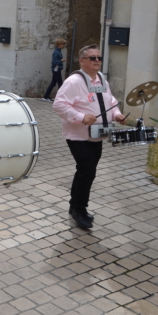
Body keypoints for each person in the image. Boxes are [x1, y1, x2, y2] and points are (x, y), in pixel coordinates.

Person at [53, 44, 125, 230]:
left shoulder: (101, 79)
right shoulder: (74, 82)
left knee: (84, 171)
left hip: (98, 134)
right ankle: (80, 210)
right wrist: (81, 117)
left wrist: (117, 114)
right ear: (82, 61)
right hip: (78, 136)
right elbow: (59, 105)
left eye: (99, 57)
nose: (97, 61)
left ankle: (74, 205)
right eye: (92, 58)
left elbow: (111, 101)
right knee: (88, 171)